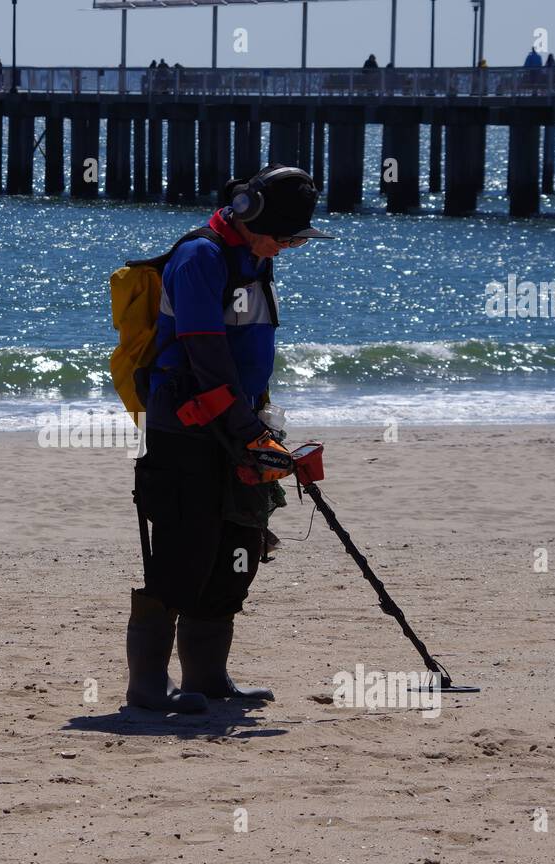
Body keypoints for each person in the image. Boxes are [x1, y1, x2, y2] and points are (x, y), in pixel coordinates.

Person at [125, 164, 334, 713]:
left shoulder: (257, 259)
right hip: (188, 428)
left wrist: (258, 425)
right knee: (183, 550)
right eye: (284, 236)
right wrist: (245, 431)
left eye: (295, 239)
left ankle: (207, 678)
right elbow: (203, 351)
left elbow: (246, 354)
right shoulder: (201, 257)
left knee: (238, 547)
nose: (287, 248)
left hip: (241, 422)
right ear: (248, 215)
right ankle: (146, 688)